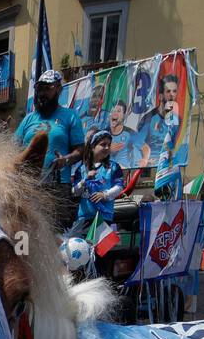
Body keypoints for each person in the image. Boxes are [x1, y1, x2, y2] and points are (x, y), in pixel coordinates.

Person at [15, 70, 85, 231]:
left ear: (59, 89)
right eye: (39, 88)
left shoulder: (70, 116)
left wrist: (65, 160)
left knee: (55, 233)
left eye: (48, 88)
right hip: (28, 186)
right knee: (26, 232)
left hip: (57, 186)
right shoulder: (28, 119)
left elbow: (80, 150)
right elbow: (13, 148)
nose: (42, 93)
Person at [69, 129, 124, 240]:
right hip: (84, 218)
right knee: (77, 248)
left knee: (99, 253)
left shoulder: (113, 167)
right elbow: (74, 192)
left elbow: (119, 187)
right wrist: (85, 180)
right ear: (92, 147)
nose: (107, 148)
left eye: (109, 145)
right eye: (103, 144)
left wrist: (104, 195)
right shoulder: (81, 169)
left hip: (103, 218)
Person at [137, 74, 181, 168]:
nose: (172, 95)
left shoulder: (177, 120)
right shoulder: (148, 119)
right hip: (149, 168)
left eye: (174, 91)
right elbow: (138, 142)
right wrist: (146, 159)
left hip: (167, 167)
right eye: (168, 91)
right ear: (160, 96)